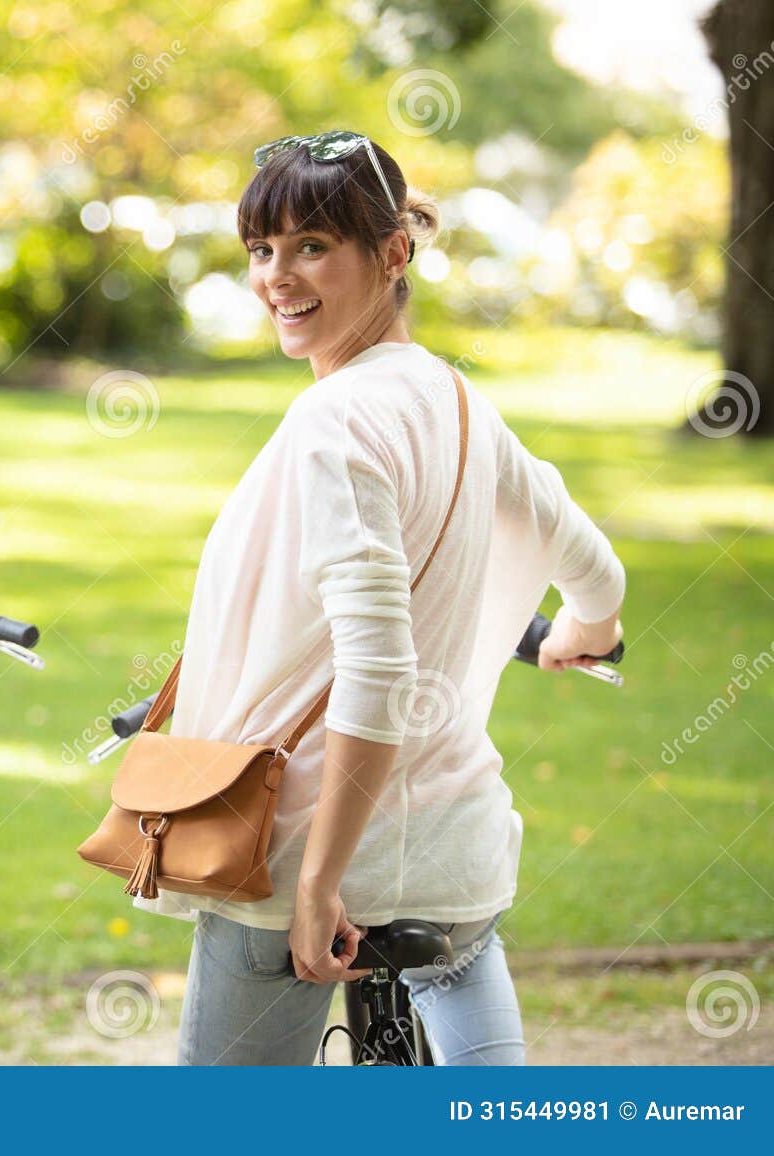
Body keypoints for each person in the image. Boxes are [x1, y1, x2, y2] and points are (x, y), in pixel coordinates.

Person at [139, 131, 625, 1065]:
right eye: (261, 250)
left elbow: (378, 664)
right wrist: (581, 632)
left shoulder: (333, 418)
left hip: (299, 856)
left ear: (394, 253)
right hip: (453, 850)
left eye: (311, 246)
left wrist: (320, 879)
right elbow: (594, 564)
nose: (278, 276)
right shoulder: (460, 404)